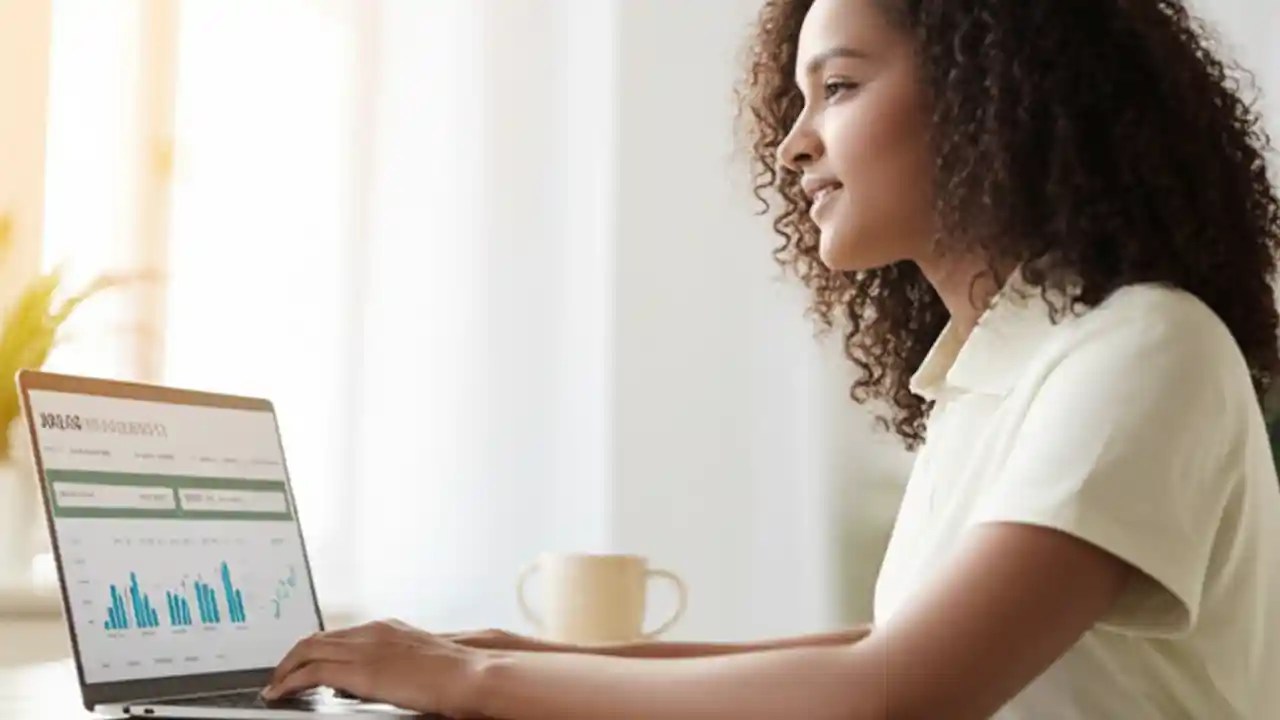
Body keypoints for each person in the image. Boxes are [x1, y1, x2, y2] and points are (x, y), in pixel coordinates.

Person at [263, 0, 1280, 717]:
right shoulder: (993, 374)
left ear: (996, 95)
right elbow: (888, 648)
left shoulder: (1144, 344)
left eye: (837, 86)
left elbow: (895, 693)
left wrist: (474, 680)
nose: (792, 144)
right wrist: (538, 654)